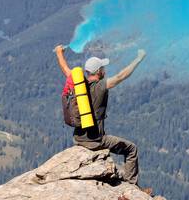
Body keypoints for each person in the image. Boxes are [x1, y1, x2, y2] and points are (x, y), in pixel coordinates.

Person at [55, 45, 146, 185]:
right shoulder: (101, 86)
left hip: (78, 138)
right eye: (103, 68)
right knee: (131, 149)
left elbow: (65, 69)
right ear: (99, 72)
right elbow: (121, 76)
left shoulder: (80, 85)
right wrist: (138, 59)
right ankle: (131, 185)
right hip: (95, 141)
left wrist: (59, 53)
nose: (104, 70)